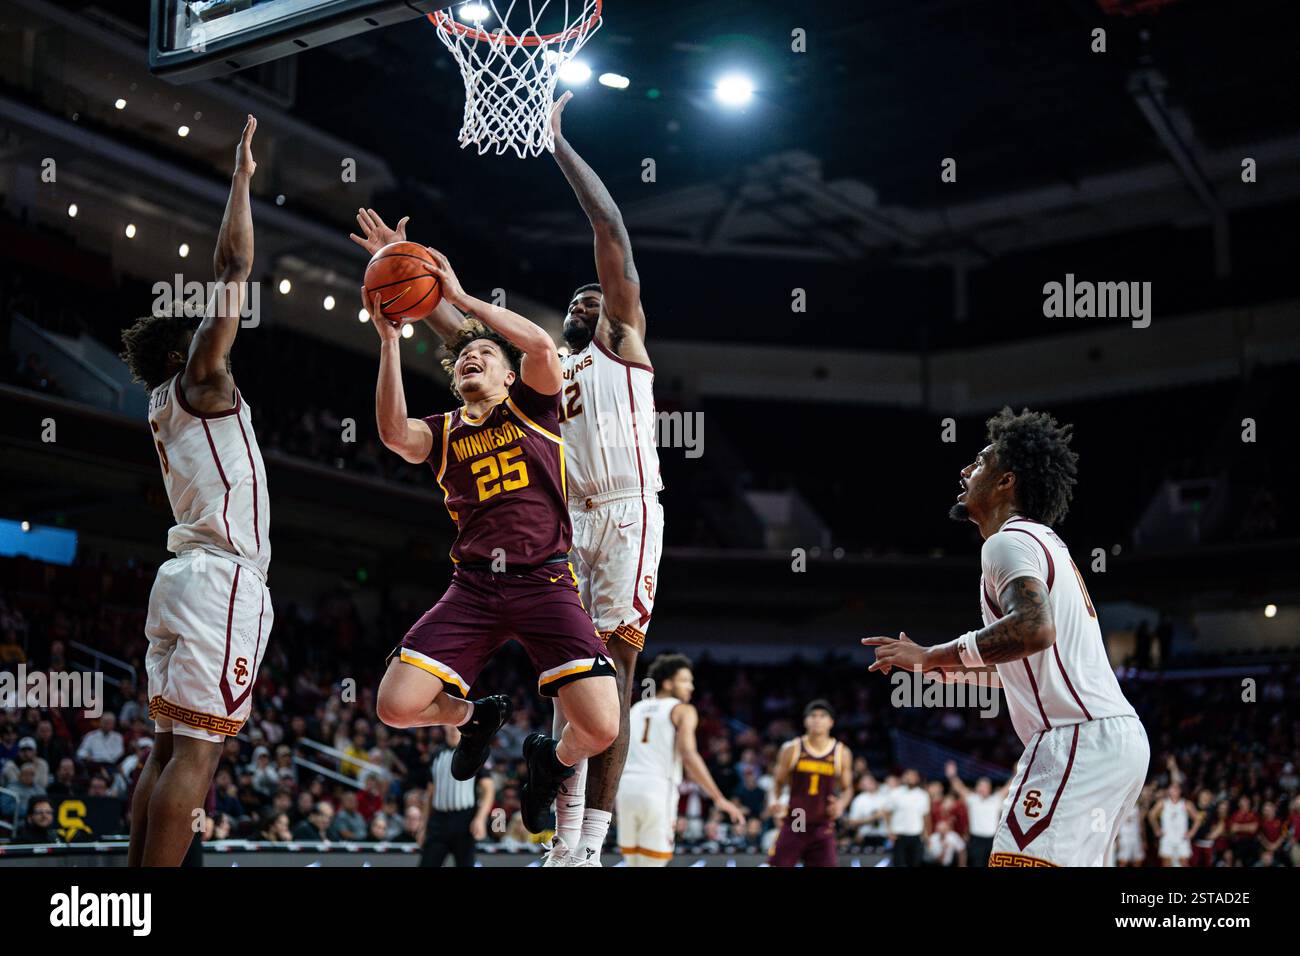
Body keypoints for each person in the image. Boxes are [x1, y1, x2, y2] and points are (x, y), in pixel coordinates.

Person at [368, 247, 619, 834]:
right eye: (464, 357)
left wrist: (454, 297)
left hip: (546, 581)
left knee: (602, 728)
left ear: (509, 377)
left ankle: (546, 760)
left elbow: (535, 344)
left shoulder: (535, 406)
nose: (472, 359)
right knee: (394, 707)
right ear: (455, 379)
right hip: (474, 587)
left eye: (486, 354)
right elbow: (390, 432)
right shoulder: (444, 431)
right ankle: (472, 715)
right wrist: (388, 341)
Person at [864, 408, 1150, 867]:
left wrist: (933, 654)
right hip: (1112, 740)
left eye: (979, 461)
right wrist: (944, 669)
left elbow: (1034, 629)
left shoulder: (1007, 541)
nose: (965, 469)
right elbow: (1030, 667)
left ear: (1006, 481)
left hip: (1075, 736)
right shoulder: (1045, 541)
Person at [119, 116, 272, 868]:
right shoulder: (202, 382)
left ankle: (128, 900)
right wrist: (242, 177)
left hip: (180, 579)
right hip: (221, 579)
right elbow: (234, 266)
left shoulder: (160, 404)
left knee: (165, 749)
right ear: (186, 354)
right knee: (198, 759)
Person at [611, 654, 746, 868]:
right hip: (657, 787)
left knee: (632, 862)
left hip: (625, 788)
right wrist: (718, 798)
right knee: (653, 863)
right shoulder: (683, 710)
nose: (690, 687)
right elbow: (688, 753)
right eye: (684, 680)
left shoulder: (634, 710)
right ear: (667, 683)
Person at [767, 700, 852, 867]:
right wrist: (773, 802)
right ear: (806, 721)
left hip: (822, 824)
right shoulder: (792, 748)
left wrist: (841, 804)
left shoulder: (841, 752)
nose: (817, 720)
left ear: (831, 722)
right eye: (813, 716)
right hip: (796, 821)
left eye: (822, 716)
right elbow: (776, 783)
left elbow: (847, 788)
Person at [419, 725, 496, 867]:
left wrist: (480, 818)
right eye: (450, 723)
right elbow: (430, 793)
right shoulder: (436, 754)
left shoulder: (474, 753)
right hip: (438, 821)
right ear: (444, 725)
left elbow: (489, 790)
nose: (454, 728)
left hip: (465, 821)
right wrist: (423, 826)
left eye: (457, 724)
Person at [944, 760, 1009, 867]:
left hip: (992, 840)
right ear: (977, 787)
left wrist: (1017, 772)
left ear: (989, 788)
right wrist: (952, 776)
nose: (982, 788)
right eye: (980, 785)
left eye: (985, 786)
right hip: (976, 840)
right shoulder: (973, 799)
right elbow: (960, 788)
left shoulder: (996, 799)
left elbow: (1008, 787)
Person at [880, 768, 930, 867]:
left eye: (913, 776)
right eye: (908, 775)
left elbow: (926, 816)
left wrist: (926, 834)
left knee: (915, 863)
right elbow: (886, 812)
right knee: (899, 864)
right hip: (899, 836)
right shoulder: (895, 793)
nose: (910, 778)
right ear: (904, 777)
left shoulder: (923, 795)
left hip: (916, 836)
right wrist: (889, 830)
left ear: (917, 778)